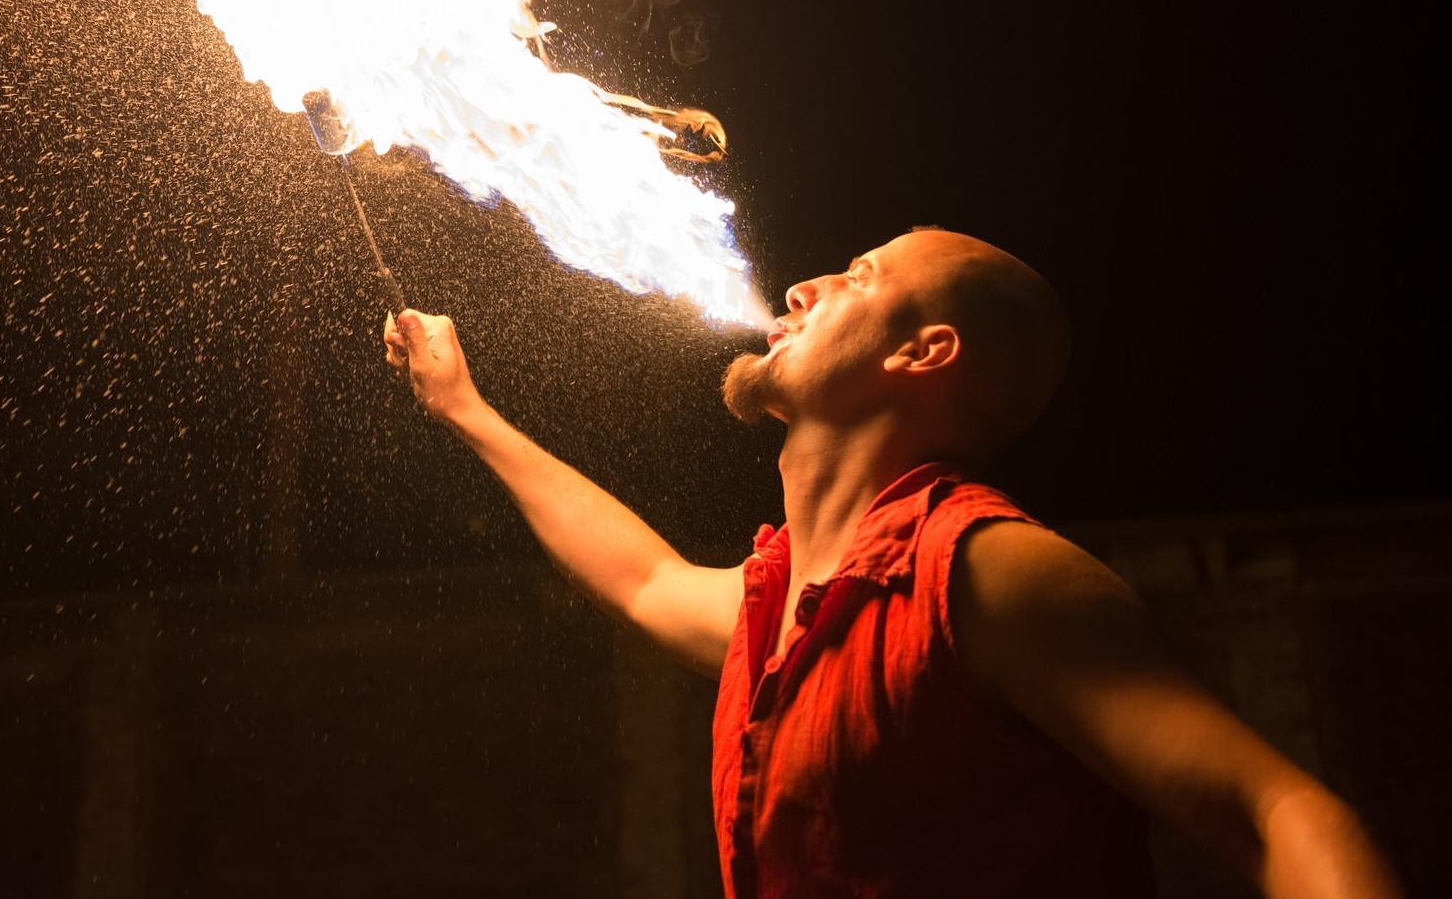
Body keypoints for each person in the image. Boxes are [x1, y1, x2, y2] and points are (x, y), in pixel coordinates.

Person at [383, 228, 1398, 899]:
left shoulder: (990, 574)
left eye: (861, 275)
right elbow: (643, 579)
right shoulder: (782, 603)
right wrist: (464, 409)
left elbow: (1279, 811)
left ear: (923, 353)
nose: (803, 285)